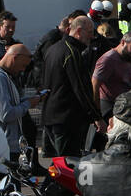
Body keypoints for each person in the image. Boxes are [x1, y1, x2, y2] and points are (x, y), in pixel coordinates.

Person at [40, 14, 104, 157]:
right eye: (90, 32)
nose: (92, 37)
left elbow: (43, 81)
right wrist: (96, 116)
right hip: (66, 118)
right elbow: (81, 88)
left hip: (51, 115)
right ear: (79, 31)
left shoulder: (53, 49)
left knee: (58, 164)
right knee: (67, 163)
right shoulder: (71, 52)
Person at [0, 43, 41, 157]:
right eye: (23, 65)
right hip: (2, 145)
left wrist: (27, 100)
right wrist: (28, 104)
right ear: (14, 58)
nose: (22, 70)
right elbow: (6, 114)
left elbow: (6, 104)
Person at [92, 32, 131, 120]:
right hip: (108, 107)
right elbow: (94, 85)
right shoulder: (108, 59)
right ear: (123, 42)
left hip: (122, 106)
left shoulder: (127, 57)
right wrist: (97, 115)